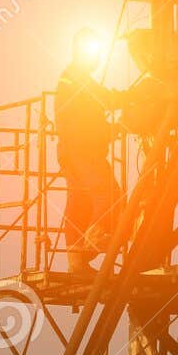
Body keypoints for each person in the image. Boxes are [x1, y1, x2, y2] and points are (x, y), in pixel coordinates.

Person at [55, 27, 126, 274]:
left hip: (75, 151)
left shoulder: (74, 77)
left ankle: (77, 260)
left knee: (80, 201)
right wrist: (126, 101)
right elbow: (100, 101)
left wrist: (109, 129)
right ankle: (94, 240)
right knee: (108, 194)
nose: (96, 58)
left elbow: (91, 110)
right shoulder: (75, 78)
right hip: (81, 151)